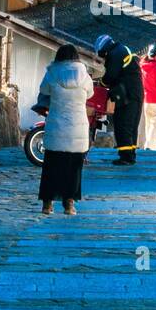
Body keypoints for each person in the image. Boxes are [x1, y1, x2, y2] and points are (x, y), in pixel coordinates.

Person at [36, 44, 92, 215]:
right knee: (74, 168)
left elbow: (43, 90)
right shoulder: (84, 74)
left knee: (51, 167)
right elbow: (89, 94)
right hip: (77, 128)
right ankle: (69, 204)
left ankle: (47, 204)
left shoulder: (52, 72)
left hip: (57, 127)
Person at [95, 33, 144, 166]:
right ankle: (131, 155)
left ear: (104, 49)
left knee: (123, 124)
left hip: (128, 95)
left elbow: (110, 75)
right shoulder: (121, 49)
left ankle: (126, 157)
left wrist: (101, 83)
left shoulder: (115, 54)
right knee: (131, 126)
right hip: (134, 93)